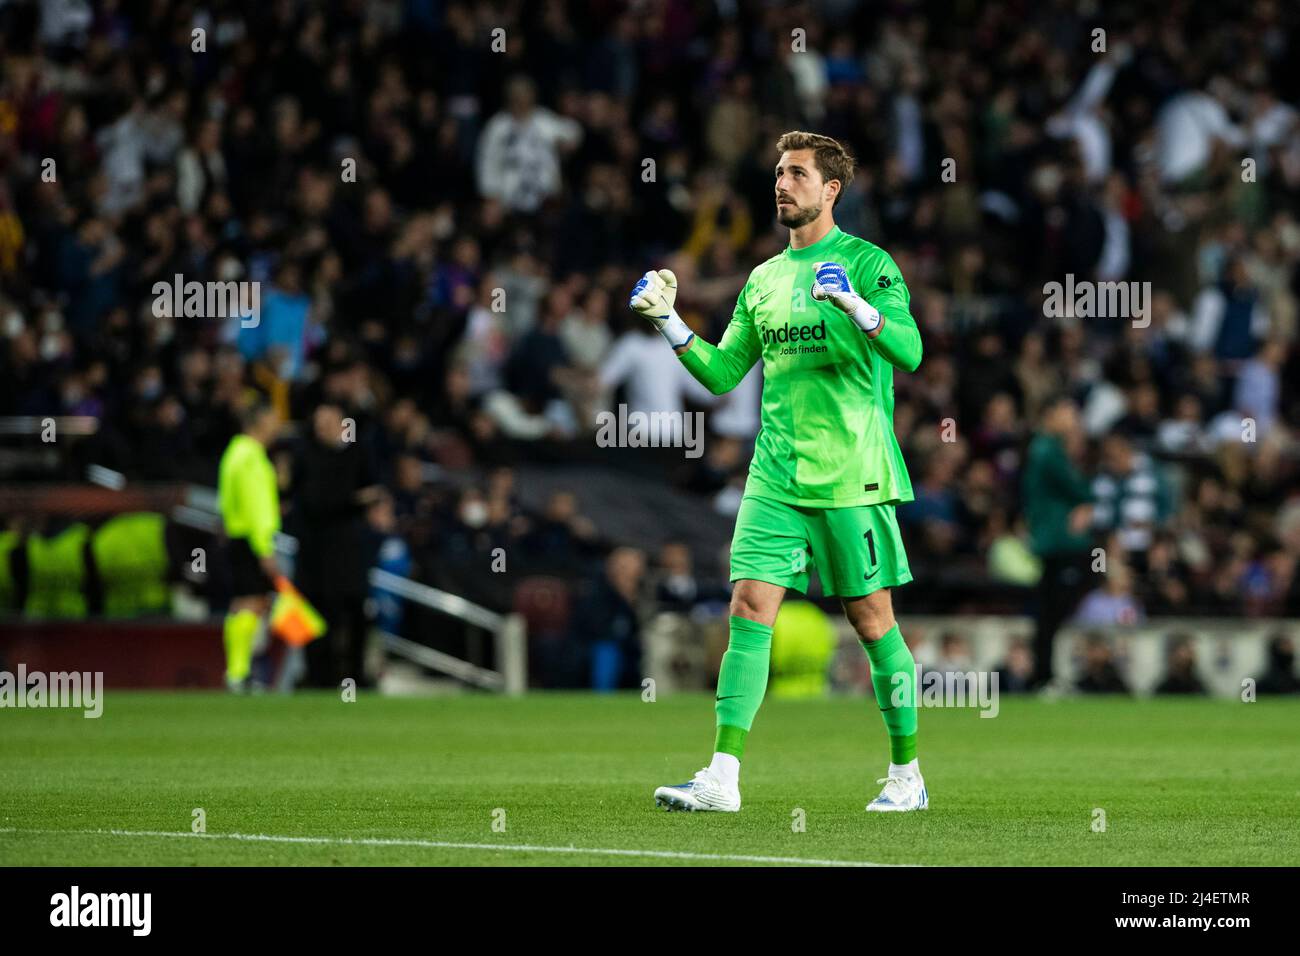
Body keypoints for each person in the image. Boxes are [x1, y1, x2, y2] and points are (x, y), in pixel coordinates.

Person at [632, 131, 927, 813]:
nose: (782, 183)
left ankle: (907, 775)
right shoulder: (763, 280)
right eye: (778, 172)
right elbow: (724, 372)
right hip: (776, 476)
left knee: (872, 619)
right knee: (748, 607)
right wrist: (671, 323)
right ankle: (721, 776)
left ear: (831, 191)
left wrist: (856, 305)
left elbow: (909, 350)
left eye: (797, 173)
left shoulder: (868, 261)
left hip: (853, 472)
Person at [1022, 396, 1094, 689]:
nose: (1075, 419)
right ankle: (1042, 676)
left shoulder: (1047, 448)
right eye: (1070, 413)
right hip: (1058, 540)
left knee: (1049, 610)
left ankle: (1042, 675)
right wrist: (1086, 501)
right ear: (1052, 415)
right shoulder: (1047, 448)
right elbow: (1075, 486)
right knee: (1052, 609)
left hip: (1054, 539)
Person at [216, 400, 283, 692]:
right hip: (251, 539)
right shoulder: (251, 457)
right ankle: (238, 673)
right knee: (251, 603)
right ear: (260, 421)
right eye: (273, 418)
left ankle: (237, 671)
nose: (277, 426)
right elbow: (257, 506)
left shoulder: (234, 453)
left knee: (243, 604)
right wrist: (265, 547)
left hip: (237, 537)